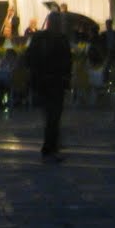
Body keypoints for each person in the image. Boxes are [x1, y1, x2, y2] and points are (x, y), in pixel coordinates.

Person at [24, 11, 72, 163]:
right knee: (53, 116)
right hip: (51, 82)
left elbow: (28, 58)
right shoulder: (58, 39)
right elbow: (66, 62)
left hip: (47, 82)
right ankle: (50, 148)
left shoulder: (41, 37)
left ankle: (52, 146)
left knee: (51, 116)